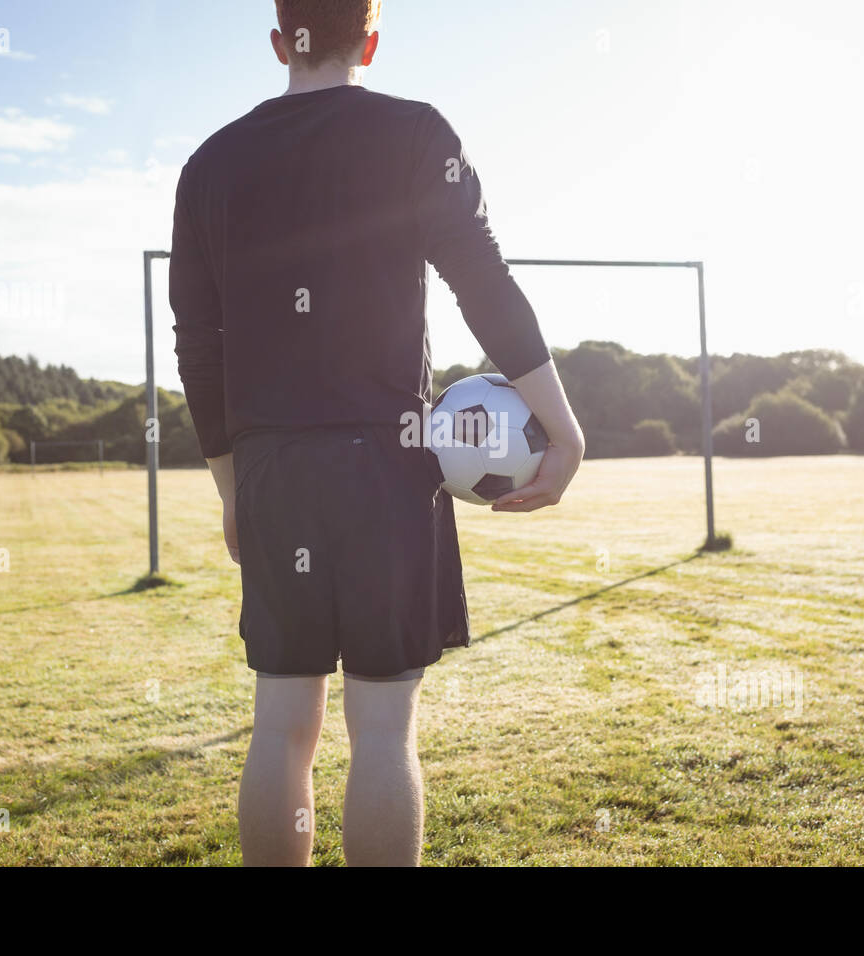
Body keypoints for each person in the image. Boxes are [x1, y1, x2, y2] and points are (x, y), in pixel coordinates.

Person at [170, 0, 585, 866]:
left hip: (275, 468)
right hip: (390, 464)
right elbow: (483, 281)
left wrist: (231, 485)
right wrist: (562, 426)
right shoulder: (415, 134)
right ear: (371, 38)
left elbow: (198, 350)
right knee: (383, 732)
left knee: (281, 727)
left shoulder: (209, 165)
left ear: (282, 41)